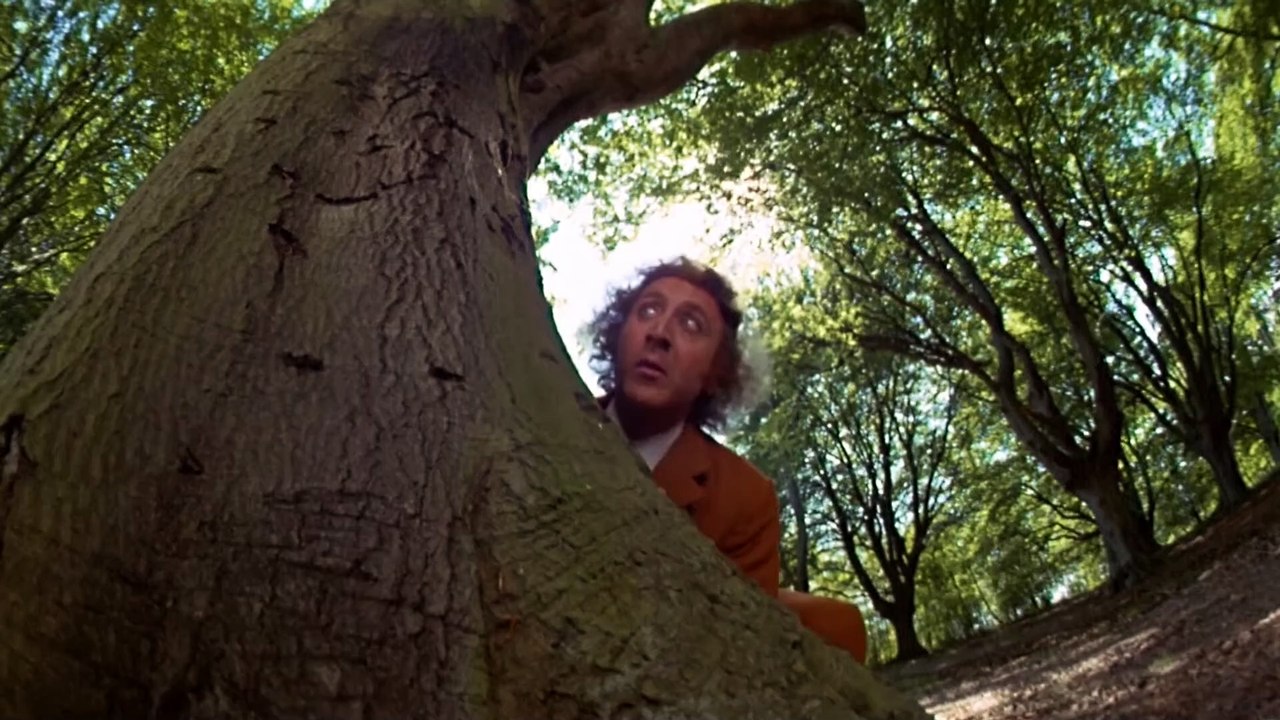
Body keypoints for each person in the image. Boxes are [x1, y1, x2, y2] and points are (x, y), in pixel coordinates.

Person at [587, 256, 868, 664]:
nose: (659, 333)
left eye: (691, 325)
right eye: (647, 310)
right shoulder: (543, 420)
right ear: (619, 333)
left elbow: (736, 648)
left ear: (716, 372)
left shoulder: (745, 499)